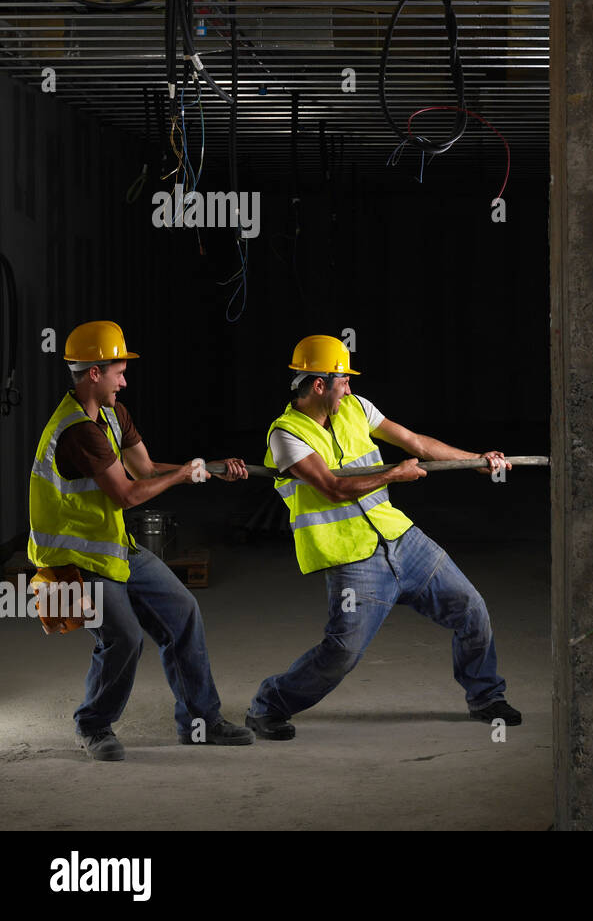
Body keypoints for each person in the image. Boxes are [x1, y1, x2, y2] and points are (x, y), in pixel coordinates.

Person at [245, 335, 520, 740]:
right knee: (342, 653)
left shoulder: (358, 407)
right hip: (353, 560)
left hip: (402, 539)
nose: (350, 387)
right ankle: (268, 706)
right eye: (343, 380)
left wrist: (474, 461)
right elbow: (333, 488)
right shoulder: (285, 436)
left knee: (472, 608)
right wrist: (394, 476)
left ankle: (485, 696)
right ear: (318, 384)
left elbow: (417, 443)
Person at [27, 320, 254, 760]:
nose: (125, 379)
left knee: (183, 612)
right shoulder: (77, 431)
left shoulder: (112, 413)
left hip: (112, 550)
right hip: (70, 562)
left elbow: (146, 470)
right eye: (119, 370)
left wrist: (209, 467)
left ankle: (199, 722)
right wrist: (185, 474)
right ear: (94, 373)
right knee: (124, 637)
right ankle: (93, 725)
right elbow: (128, 493)